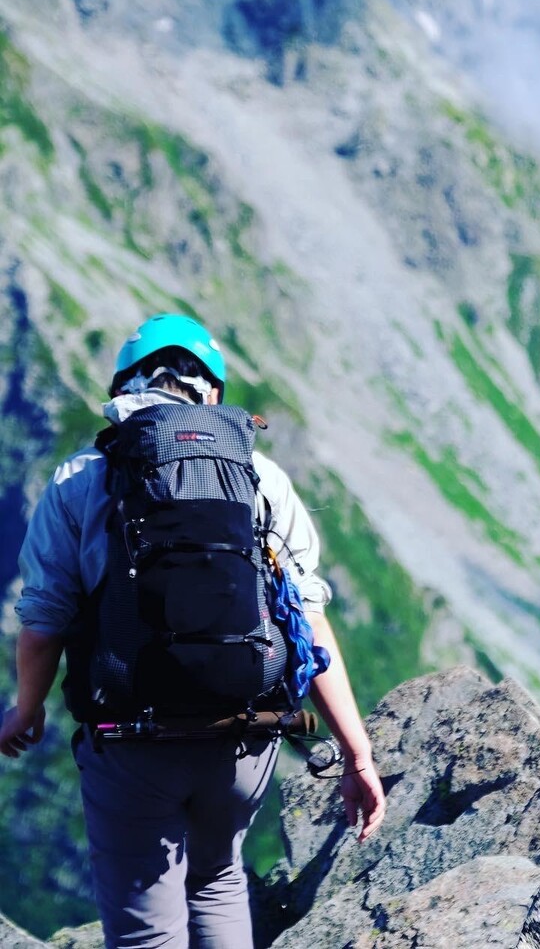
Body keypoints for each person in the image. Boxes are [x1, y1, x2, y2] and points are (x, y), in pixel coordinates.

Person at [0, 313, 386, 949]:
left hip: (133, 739)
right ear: (212, 394)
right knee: (217, 880)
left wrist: (26, 708)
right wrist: (357, 753)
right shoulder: (262, 479)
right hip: (245, 739)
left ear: (125, 387)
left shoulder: (79, 480)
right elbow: (308, 622)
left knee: (148, 930)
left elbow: (43, 620)